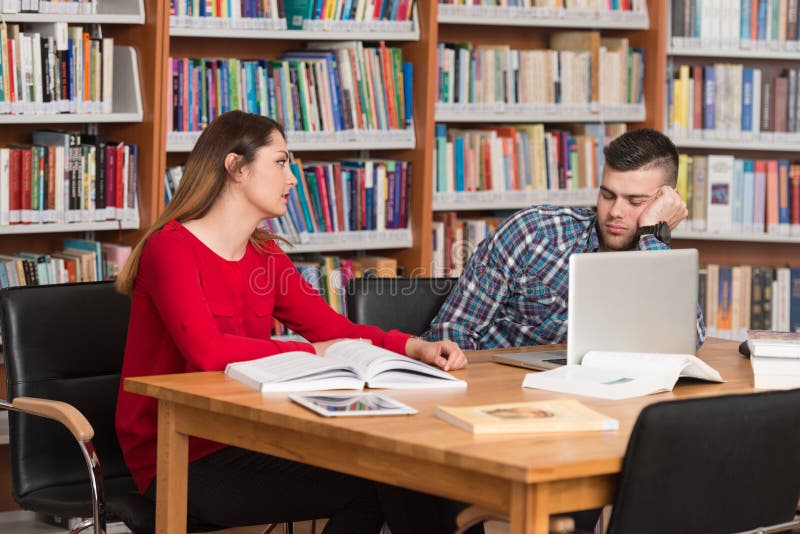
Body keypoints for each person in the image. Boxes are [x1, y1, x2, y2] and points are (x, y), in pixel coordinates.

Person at [114, 110, 476, 533]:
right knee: (378, 483)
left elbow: (332, 329)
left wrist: (417, 348)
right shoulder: (170, 248)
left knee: (410, 472)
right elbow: (207, 351)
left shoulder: (264, 254)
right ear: (236, 167)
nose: (293, 179)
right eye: (281, 162)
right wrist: (307, 352)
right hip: (178, 454)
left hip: (245, 433)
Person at [423, 128, 705, 351]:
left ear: (667, 201)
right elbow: (453, 330)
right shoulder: (534, 231)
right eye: (607, 195)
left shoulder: (659, 260)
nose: (615, 211)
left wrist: (653, 235)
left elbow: (684, 342)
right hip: (499, 395)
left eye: (635, 201)